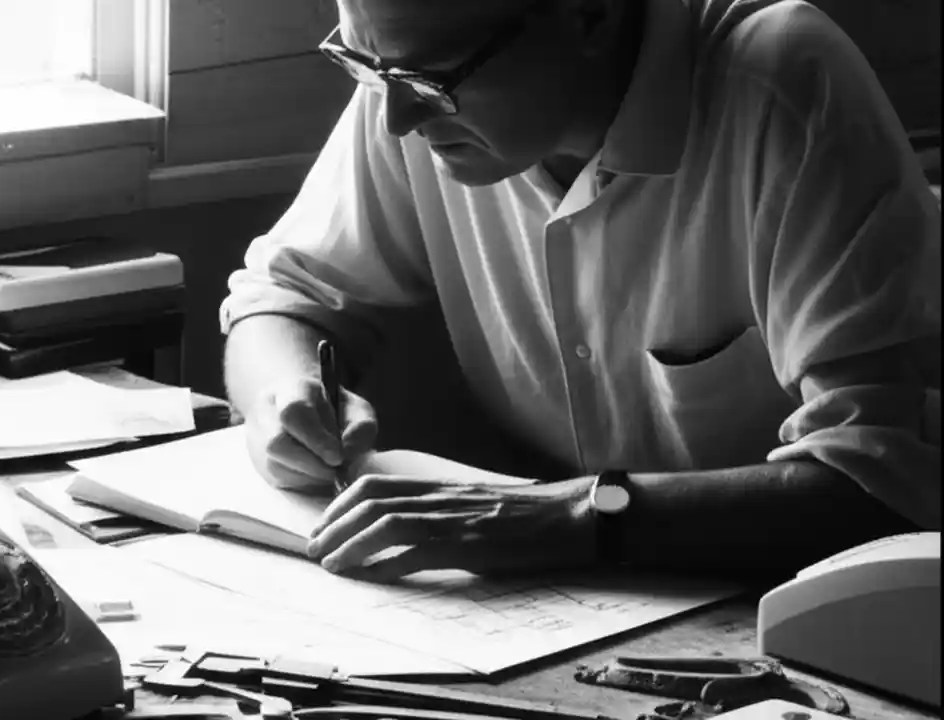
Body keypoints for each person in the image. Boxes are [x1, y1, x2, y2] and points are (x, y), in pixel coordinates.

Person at [219, 0, 941, 581]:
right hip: (597, 603)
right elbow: (280, 295)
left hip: (809, 608)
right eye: (363, 66)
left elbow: (880, 479)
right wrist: (284, 395)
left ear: (590, 15)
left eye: (425, 83)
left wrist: (566, 518)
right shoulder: (412, 83)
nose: (395, 120)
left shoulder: (779, 82)